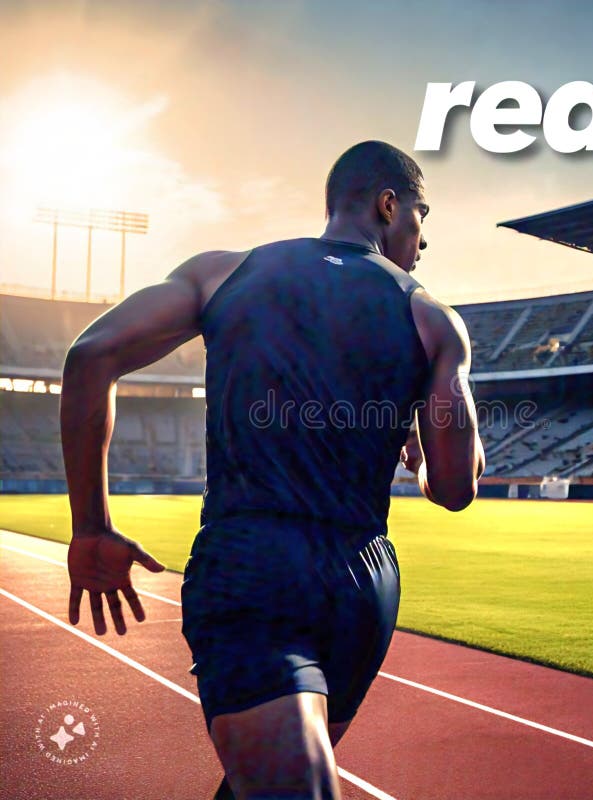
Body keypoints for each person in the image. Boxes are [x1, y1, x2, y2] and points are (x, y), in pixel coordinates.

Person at [61, 140, 485, 799]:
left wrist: (91, 524)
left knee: (276, 785)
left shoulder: (223, 273)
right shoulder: (433, 319)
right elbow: (456, 489)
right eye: (420, 217)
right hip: (363, 583)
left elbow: (91, 355)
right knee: (283, 782)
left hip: (252, 565)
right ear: (388, 204)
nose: (423, 240)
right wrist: (425, 454)